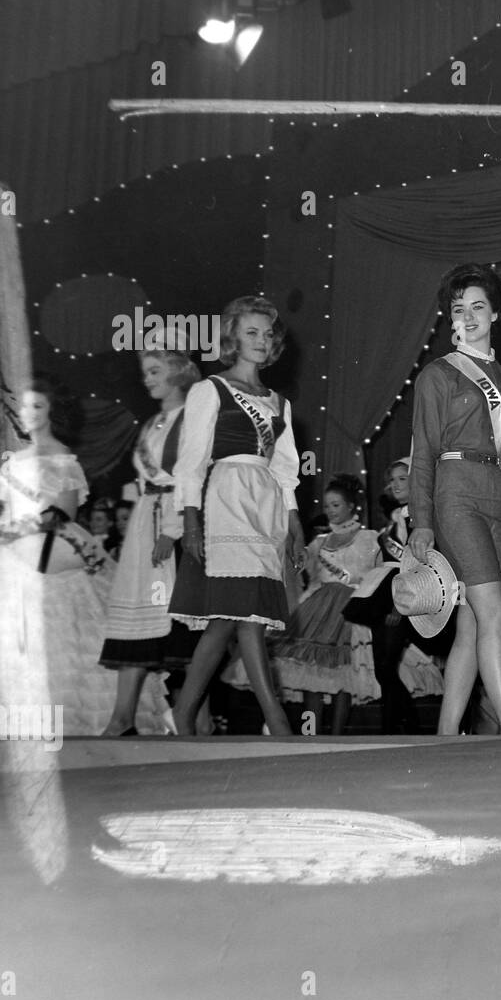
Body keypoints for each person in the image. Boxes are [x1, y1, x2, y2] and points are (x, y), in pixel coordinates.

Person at [0, 379, 170, 734]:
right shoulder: (19, 454)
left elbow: (62, 514)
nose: (29, 414)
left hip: (51, 546)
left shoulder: (60, 456)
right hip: (13, 541)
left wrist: (13, 530)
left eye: (38, 407)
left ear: (52, 412)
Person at [407, 263, 501, 736]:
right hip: (455, 492)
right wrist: (421, 519)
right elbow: (423, 451)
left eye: (478, 306)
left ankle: (445, 735)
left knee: (471, 623)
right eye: (458, 309)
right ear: (450, 318)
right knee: (493, 613)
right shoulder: (437, 376)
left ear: (495, 313)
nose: (468, 316)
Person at [167, 296, 305, 736]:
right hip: (226, 499)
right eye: (251, 332)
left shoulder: (279, 402)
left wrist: (294, 522)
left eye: (268, 334)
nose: (262, 341)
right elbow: (191, 463)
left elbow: (285, 471)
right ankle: (275, 719)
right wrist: (191, 522)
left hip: (266, 506)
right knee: (235, 618)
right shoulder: (210, 390)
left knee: (237, 620)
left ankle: (186, 711)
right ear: (232, 338)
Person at [99, 350, 204, 736]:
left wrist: (172, 530)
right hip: (145, 524)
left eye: (155, 371)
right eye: (145, 373)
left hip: (174, 529)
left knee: (184, 633)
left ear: (178, 373)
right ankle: (121, 718)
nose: (147, 380)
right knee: (136, 624)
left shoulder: (193, 419)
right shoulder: (151, 423)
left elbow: (192, 478)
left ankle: (196, 721)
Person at [233, 473, 382, 734]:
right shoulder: (319, 542)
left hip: (351, 611)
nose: (330, 511)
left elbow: (378, 575)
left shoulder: (369, 538)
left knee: (343, 678)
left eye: (336, 505)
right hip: (318, 608)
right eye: (326, 506)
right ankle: (309, 734)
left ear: (350, 506)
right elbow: (302, 569)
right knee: (312, 676)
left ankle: (336, 736)